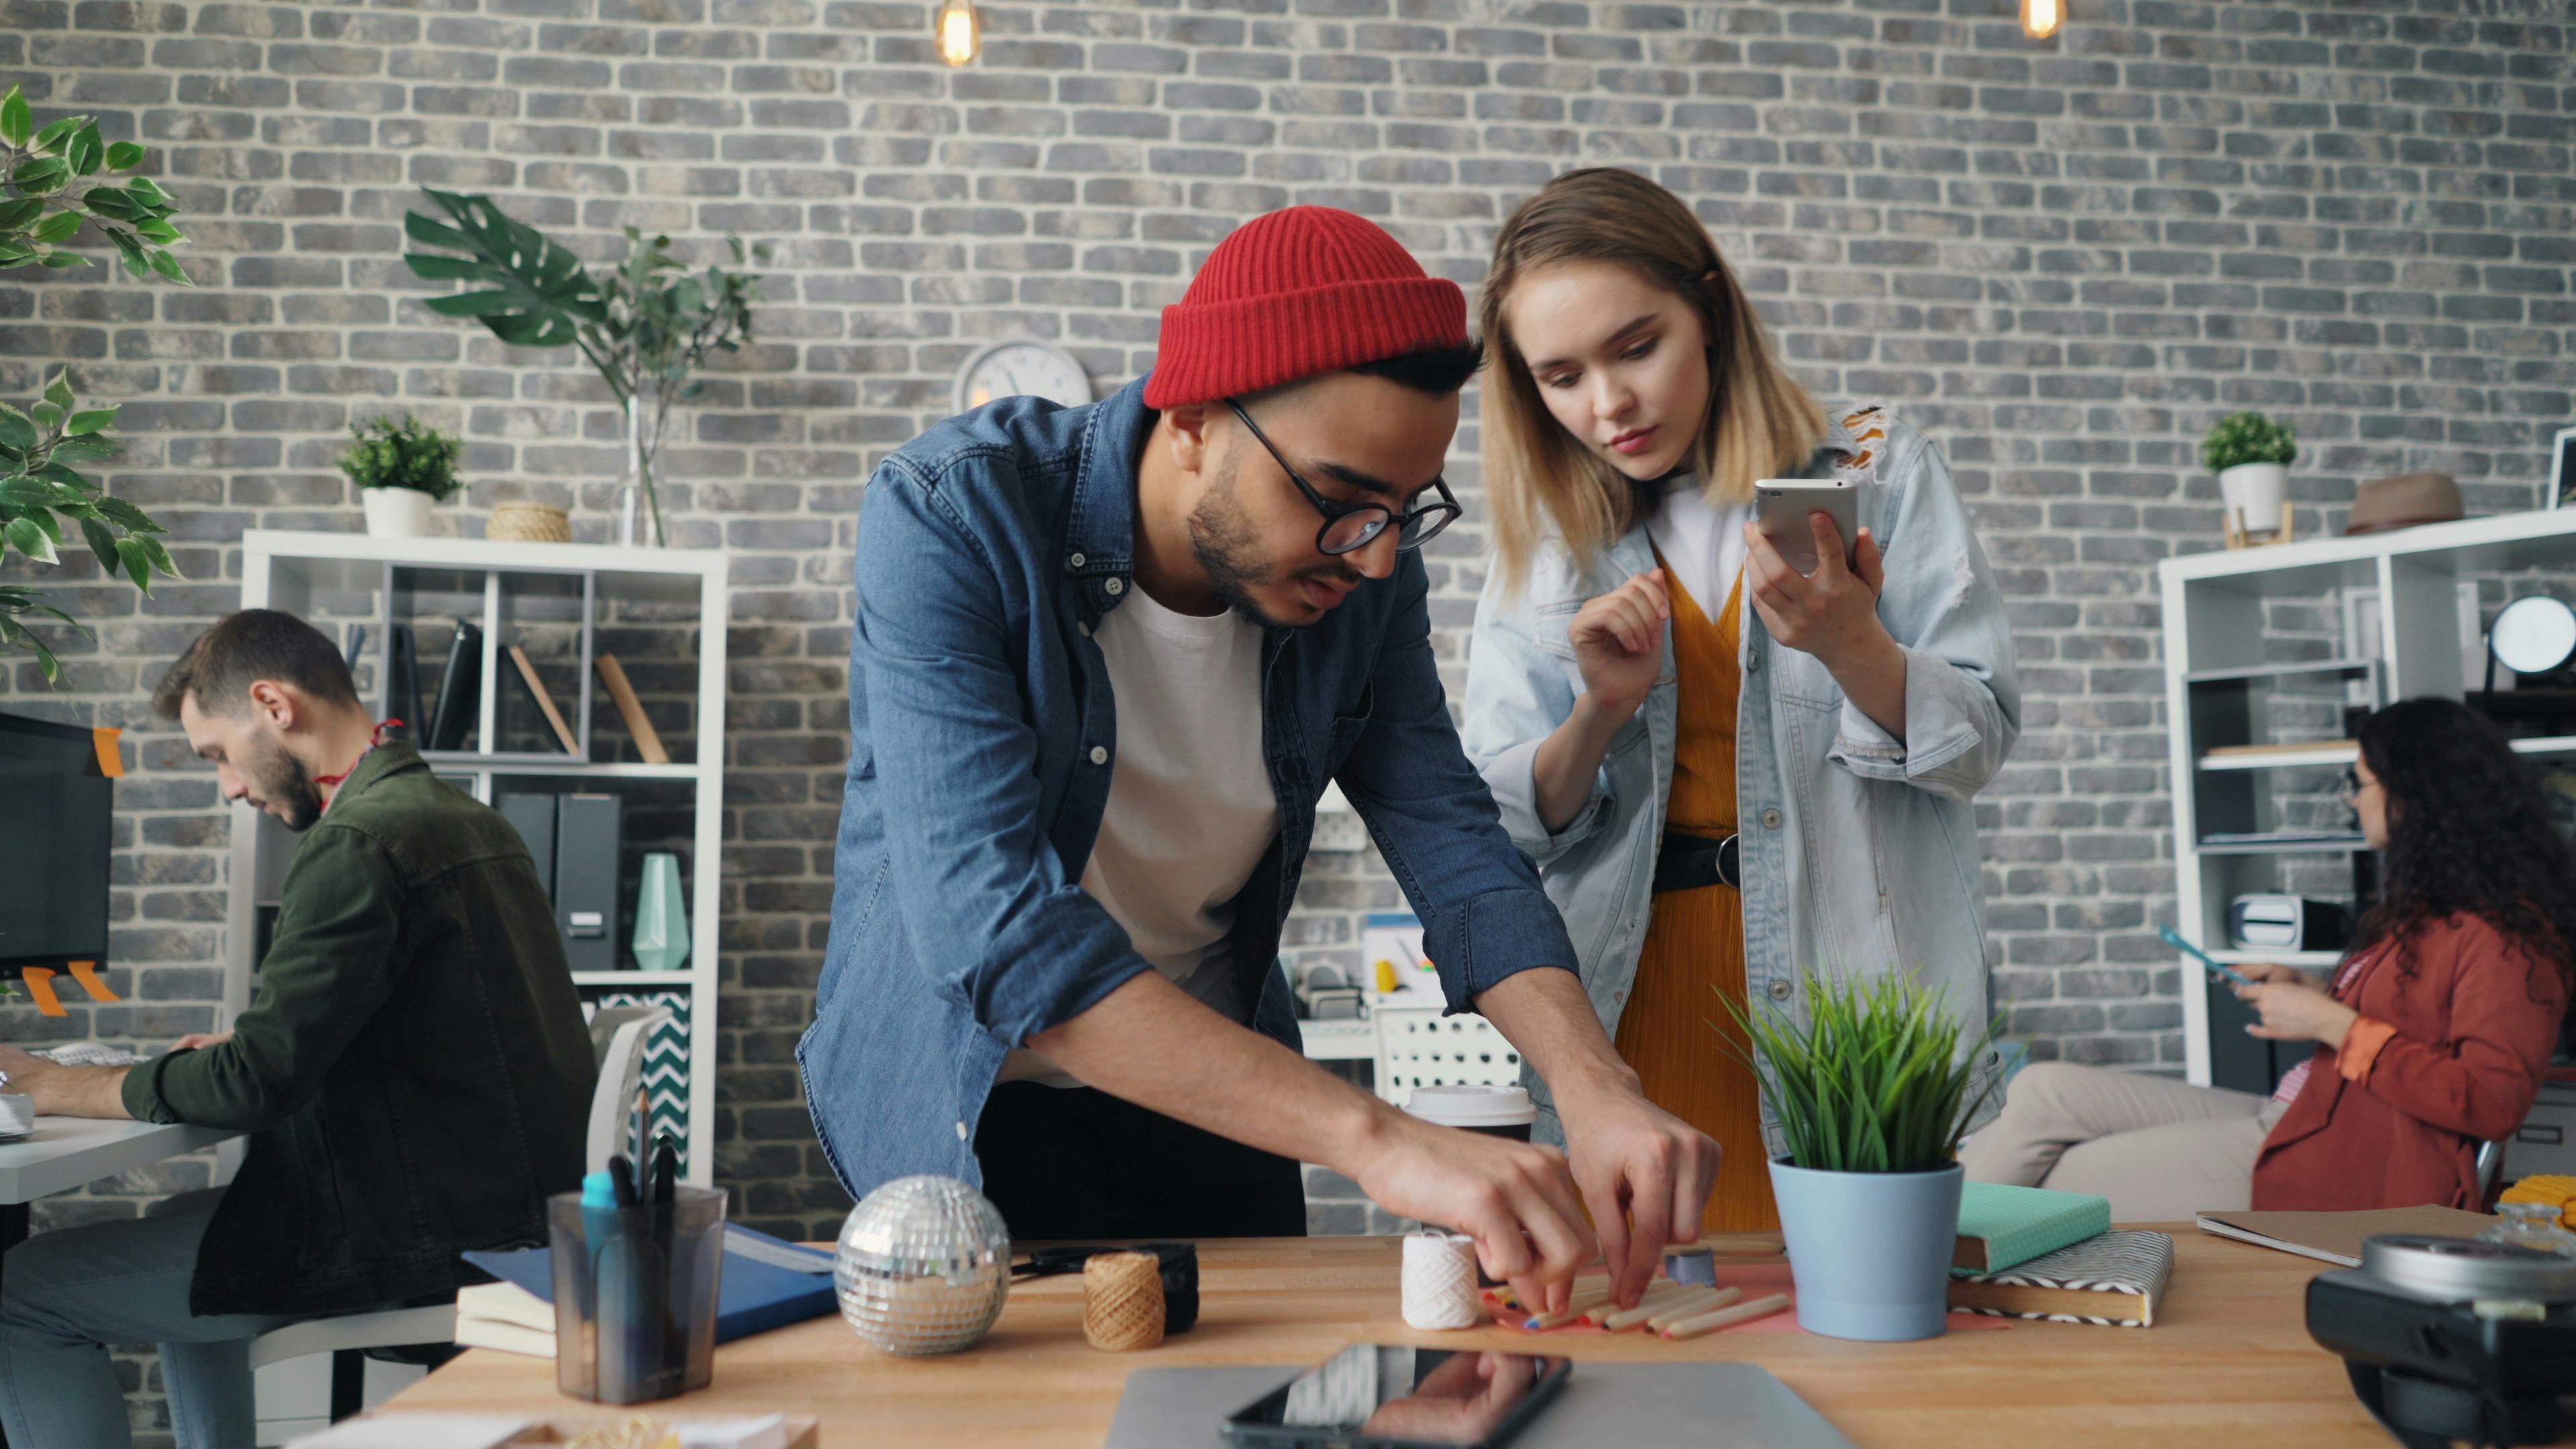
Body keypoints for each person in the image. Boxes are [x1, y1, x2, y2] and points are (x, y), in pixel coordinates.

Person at [799, 205, 1719, 1313]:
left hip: (1214, 1088)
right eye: (1337, 502)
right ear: (1191, 421)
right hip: (963, 1106)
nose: (1376, 558)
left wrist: (1595, 1082)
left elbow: (1457, 846)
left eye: (1404, 509)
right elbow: (995, 935)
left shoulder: (1362, 571)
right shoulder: (955, 514)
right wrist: (1376, 1140)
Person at [1461, 168, 2021, 1232]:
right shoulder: (1547, 534)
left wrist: (1854, 645)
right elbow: (1500, 821)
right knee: (1639, 1343)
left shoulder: (1873, 464)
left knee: (1854, 1338)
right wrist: (1600, 712)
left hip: (1844, 997)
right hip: (1628, 998)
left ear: (1710, 313)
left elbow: (1977, 743)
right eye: (1562, 375)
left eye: (1637, 347)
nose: (1609, 405)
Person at [0, 610, 596, 1449]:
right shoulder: (466, 818)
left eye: (217, 756)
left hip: (426, 1241)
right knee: (177, 1216)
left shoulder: (359, 840)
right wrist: (246, 1056)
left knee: (22, 1291)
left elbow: (257, 1084)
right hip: (500, 1217)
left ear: (274, 706)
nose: (231, 789)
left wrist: (61, 1083)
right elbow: (399, 1037)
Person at [1963, 698, 2576, 1220]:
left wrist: (2330, 1023)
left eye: (2360, 784)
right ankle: (1924, 1255)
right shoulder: (2435, 909)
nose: (2352, 800)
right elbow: (2409, 1026)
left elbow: (2491, 1102)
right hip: (2306, 1109)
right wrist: (2314, 994)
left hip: (2353, 1156)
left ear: (2414, 799)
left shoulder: (2504, 937)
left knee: (2055, 1176)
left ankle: (1921, 1265)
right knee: (2042, 1091)